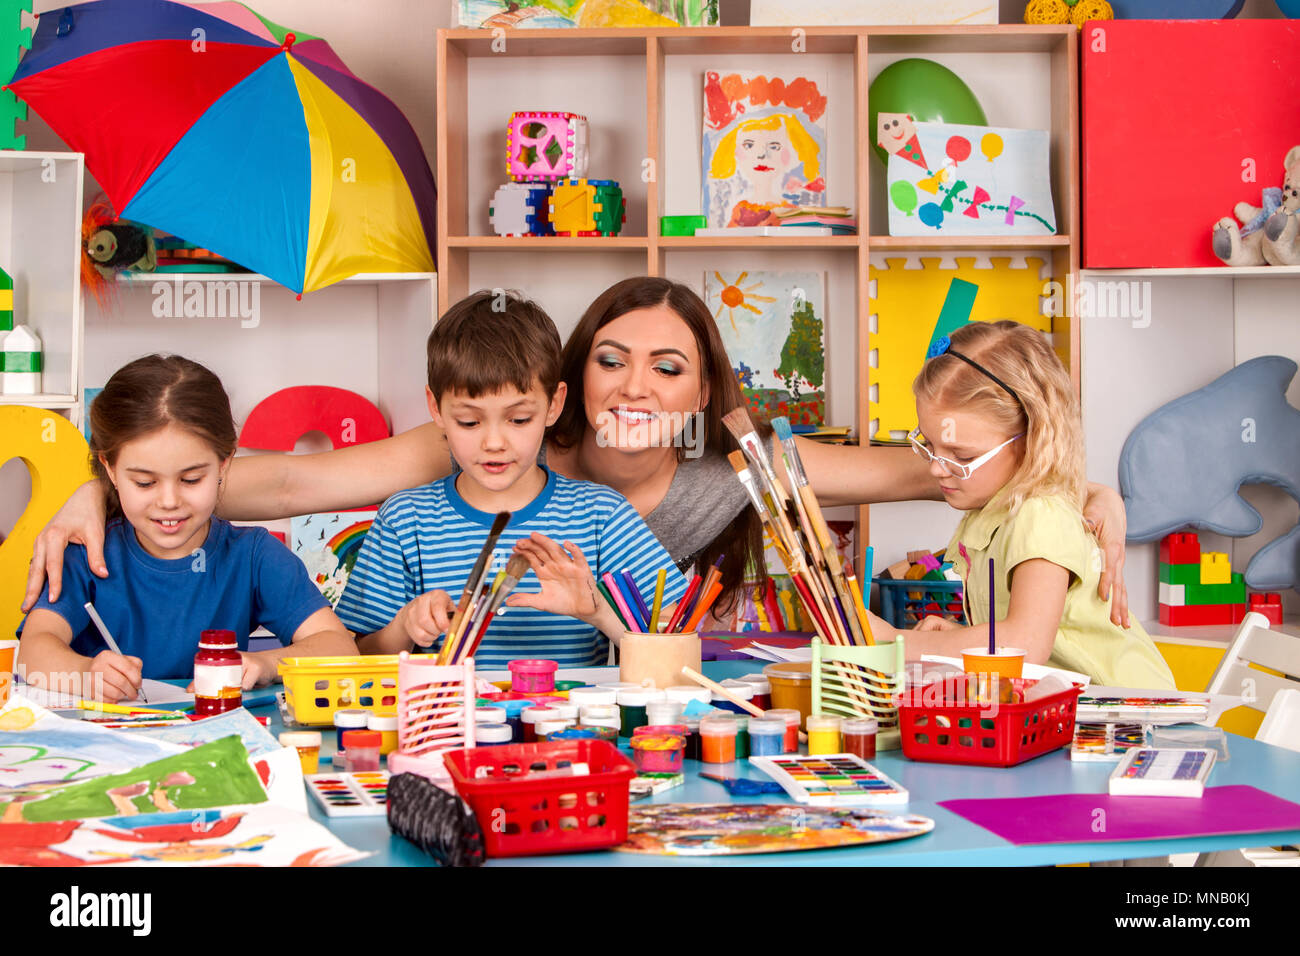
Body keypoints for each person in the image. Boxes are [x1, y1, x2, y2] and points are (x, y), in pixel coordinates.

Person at [23, 278, 1134, 632]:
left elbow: (939, 464)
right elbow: (287, 479)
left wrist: (1081, 483)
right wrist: (98, 488)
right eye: (612, 358)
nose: (635, 388)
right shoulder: (506, 442)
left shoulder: (734, 461)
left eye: (667, 366)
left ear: (703, 388)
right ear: (571, 379)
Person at [337, 290, 688, 666]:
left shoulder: (602, 514)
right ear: (435, 408)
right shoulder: (405, 520)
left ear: (553, 404)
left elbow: (679, 647)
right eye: (469, 422)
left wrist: (598, 612)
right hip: (447, 721)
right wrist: (405, 626)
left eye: (518, 419)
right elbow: (354, 656)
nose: (493, 443)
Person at [16, 355, 357, 702]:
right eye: (145, 482)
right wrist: (85, 674)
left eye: (191, 479)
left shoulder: (254, 555)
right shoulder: (87, 551)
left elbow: (340, 649)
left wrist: (265, 663)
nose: (169, 501)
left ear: (224, 463)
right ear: (110, 468)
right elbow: (32, 653)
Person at [871, 321, 1174, 688]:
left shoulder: (1041, 514)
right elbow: (1016, 632)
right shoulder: (992, 506)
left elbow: (1024, 645)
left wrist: (898, 642)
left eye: (961, 455)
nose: (936, 467)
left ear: (1031, 439)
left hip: (1129, 713)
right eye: (929, 444)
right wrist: (959, 636)